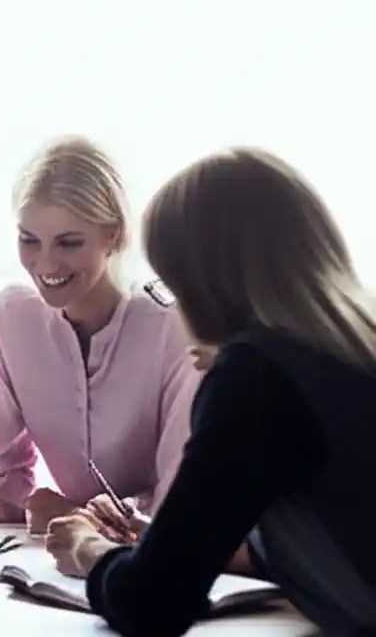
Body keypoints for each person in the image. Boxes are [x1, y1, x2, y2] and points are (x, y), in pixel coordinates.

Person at [46, 148, 376, 636]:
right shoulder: (348, 356)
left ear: (204, 283)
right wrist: (167, 542)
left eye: (173, 287)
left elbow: (152, 604)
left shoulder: (256, 375)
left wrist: (89, 551)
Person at [0, 137, 199, 533]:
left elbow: (181, 506)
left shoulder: (173, 328)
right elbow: (8, 476)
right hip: (52, 562)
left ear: (114, 236)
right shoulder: (13, 316)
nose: (45, 263)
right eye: (29, 240)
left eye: (69, 243)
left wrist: (77, 518)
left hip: (157, 564)